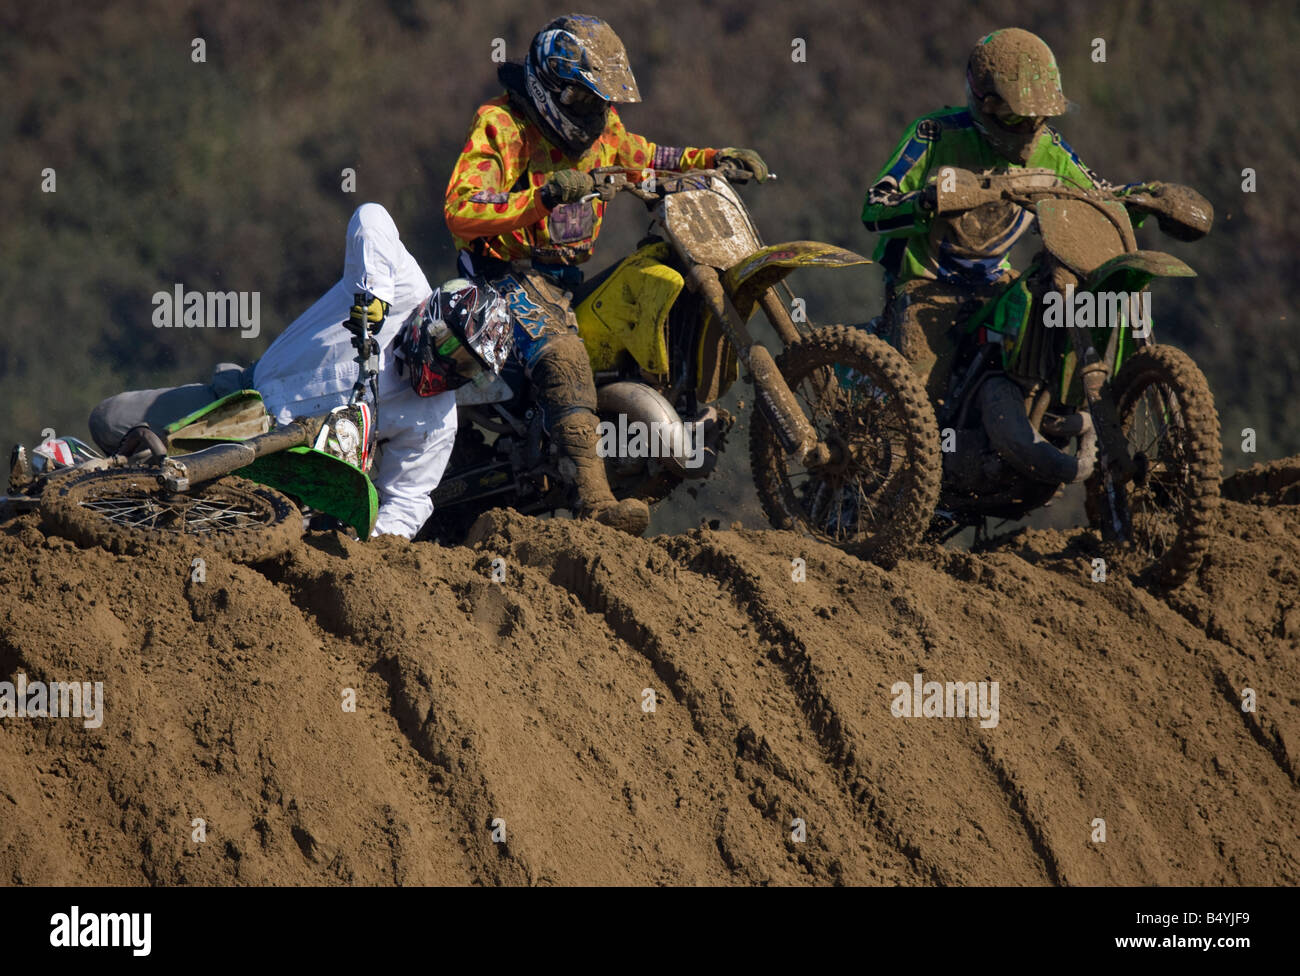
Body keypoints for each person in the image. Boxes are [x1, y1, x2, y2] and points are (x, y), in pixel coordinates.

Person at [444, 13, 769, 536]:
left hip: (565, 283)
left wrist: (715, 157)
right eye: (584, 99)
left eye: (601, 100)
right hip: (499, 282)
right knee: (565, 354)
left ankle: (657, 426)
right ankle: (596, 504)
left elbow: (648, 158)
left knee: (656, 288)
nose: (596, 112)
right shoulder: (502, 125)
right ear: (553, 87)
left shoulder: (605, 129)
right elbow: (462, 208)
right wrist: (543, 195)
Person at [88, 203, 456, 539]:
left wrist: (363, 546)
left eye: (468, 368)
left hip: (290, 475)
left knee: (194, 523)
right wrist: (375, 291)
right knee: (109, 420)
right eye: (451, 348)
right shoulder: (405, 288)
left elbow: (408, 499)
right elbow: (372, 216)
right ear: (433, 317)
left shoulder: (438, 418)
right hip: (237, 401)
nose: (452, 367)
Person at [861, 28, 1147, 405]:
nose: (1029, 130)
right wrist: (926, 201)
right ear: (984, 102)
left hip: (997, 283)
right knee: (921, 397)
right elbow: (875, 207)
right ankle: (903, 450)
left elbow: (1100, 197)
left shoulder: (1053, 150)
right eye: (1015, 117)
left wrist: (1148, 198)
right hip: (923, 286)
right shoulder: (936, 135)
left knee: (1048, 319)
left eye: (1038, 118)